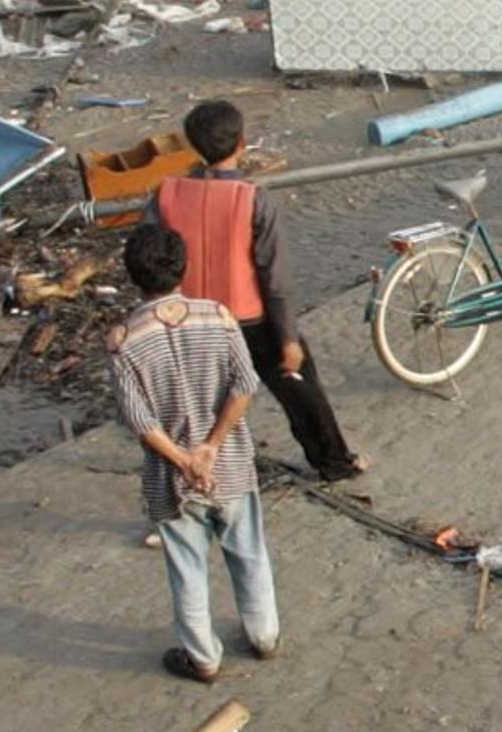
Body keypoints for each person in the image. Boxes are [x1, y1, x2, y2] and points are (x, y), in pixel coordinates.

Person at [153, 98, 363, 483]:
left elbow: (153, 257)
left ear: (192, 145)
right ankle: (333, 462)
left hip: (189, 319)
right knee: (301, 391)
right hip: (250, 318)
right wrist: (288, 338)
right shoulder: (254, 200)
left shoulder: (166, 195)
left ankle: (192, 465)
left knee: (199, 401)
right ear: (242, 143)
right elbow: (275, 277)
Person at [110, 221, 277, 684]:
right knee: (249, 551)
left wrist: (185, 461)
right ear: (184, 266)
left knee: (187, 566)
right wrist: (211, 445)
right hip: (231, 463)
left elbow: (141, 423)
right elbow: (246, 384)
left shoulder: (124, 342)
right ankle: (264, 636)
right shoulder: (218, 316)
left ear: (132, 275)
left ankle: (203, 657)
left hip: (172, 478)